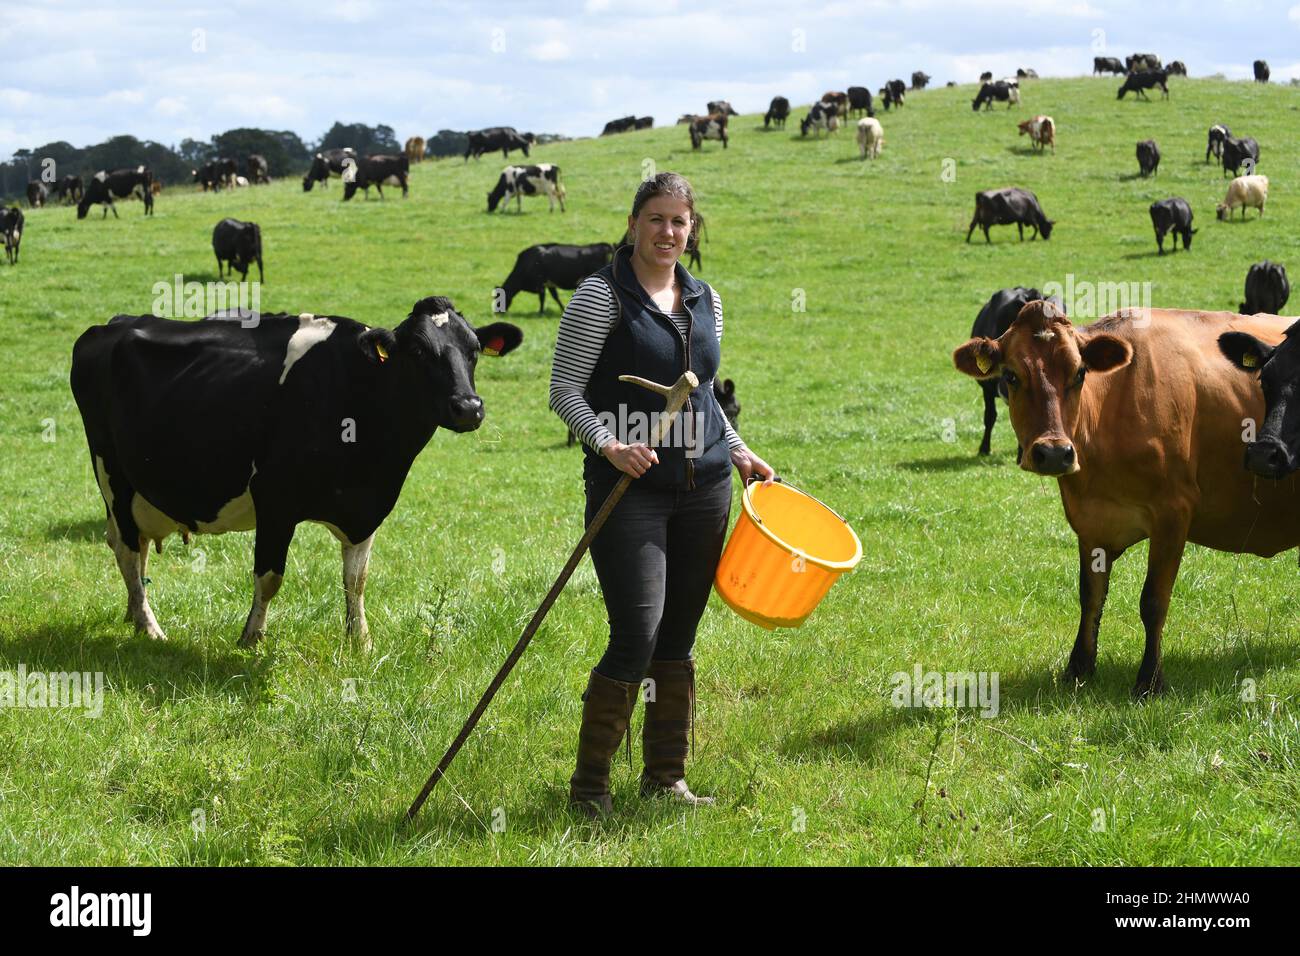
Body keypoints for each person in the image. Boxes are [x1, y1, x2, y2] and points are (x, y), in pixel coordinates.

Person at [549, 171, 775, 818]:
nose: (669, 232)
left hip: (705, 489)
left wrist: (736, 450)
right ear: (632, 224)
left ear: (691, 228)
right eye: (656, 219)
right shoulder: (599, 298)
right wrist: (608, 443)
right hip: (631, 490)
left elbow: (701, 394)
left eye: (680, 221)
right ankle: (590, 789)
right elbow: (564, 394)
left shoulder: (706, 299)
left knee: (678, 636)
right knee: (637, 631)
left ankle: (665, 777)